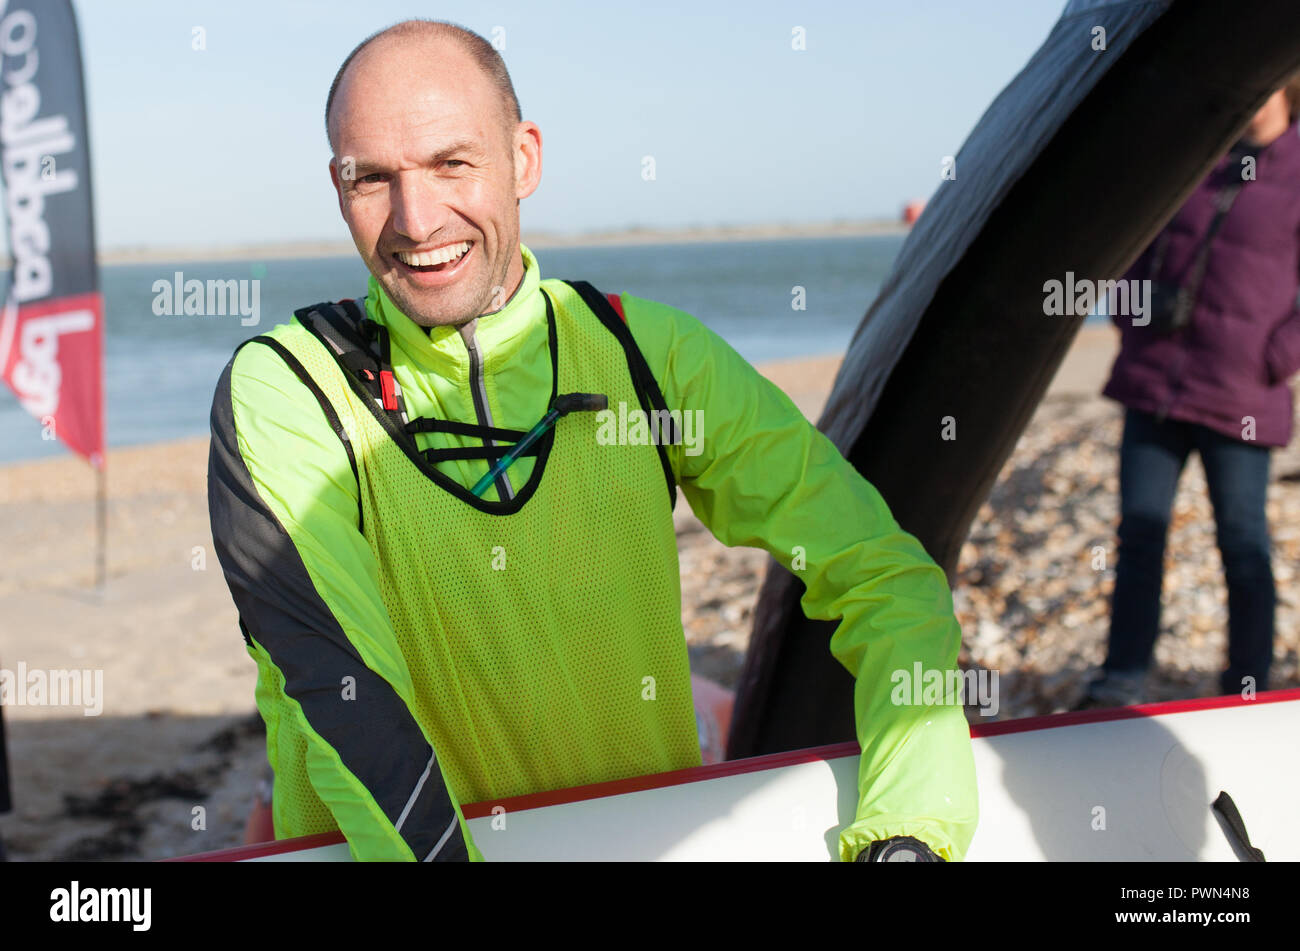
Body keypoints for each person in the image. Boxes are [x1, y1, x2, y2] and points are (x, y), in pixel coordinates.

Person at [207, 19, 977, 862]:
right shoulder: (286, 392)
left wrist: (910, 827)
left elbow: (881, 572)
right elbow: (350, 699)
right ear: (337, 185)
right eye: (372, 179)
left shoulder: (650, 356)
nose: (416, 218)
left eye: (452, 163)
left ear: (524, 158)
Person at [1081, 79, 1300, 709]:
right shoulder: (1199, 159)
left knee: (1242, 540)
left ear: (1288, 92)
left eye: (1268, 88)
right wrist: (1128, 313)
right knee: (1140, 536)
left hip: (1240, 396)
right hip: (1153, 385)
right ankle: (1122, 674)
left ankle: (1246, 686)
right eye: (1247, 86)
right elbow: (1136, 246)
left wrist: (1275, 356)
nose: (1253, 98)